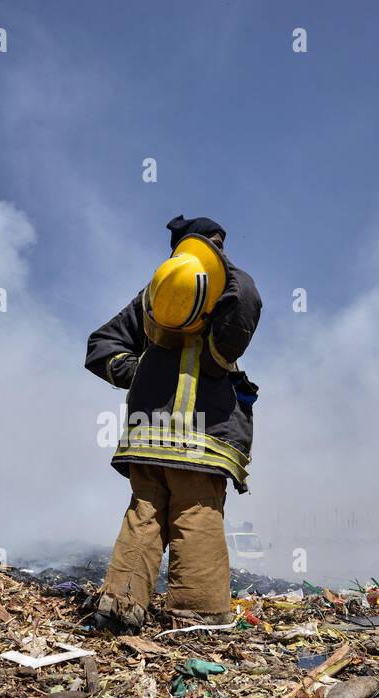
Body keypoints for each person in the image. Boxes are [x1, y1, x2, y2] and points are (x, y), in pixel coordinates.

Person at [84, 214, 262, 633]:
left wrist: (138, 371)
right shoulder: (230, 286)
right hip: (203, 438)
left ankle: (119, 607)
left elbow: (99, 346)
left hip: (147, 437)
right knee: (196, 513)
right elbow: (247, 305)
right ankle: (198, 616)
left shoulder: (152, 298)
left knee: (143, 513)